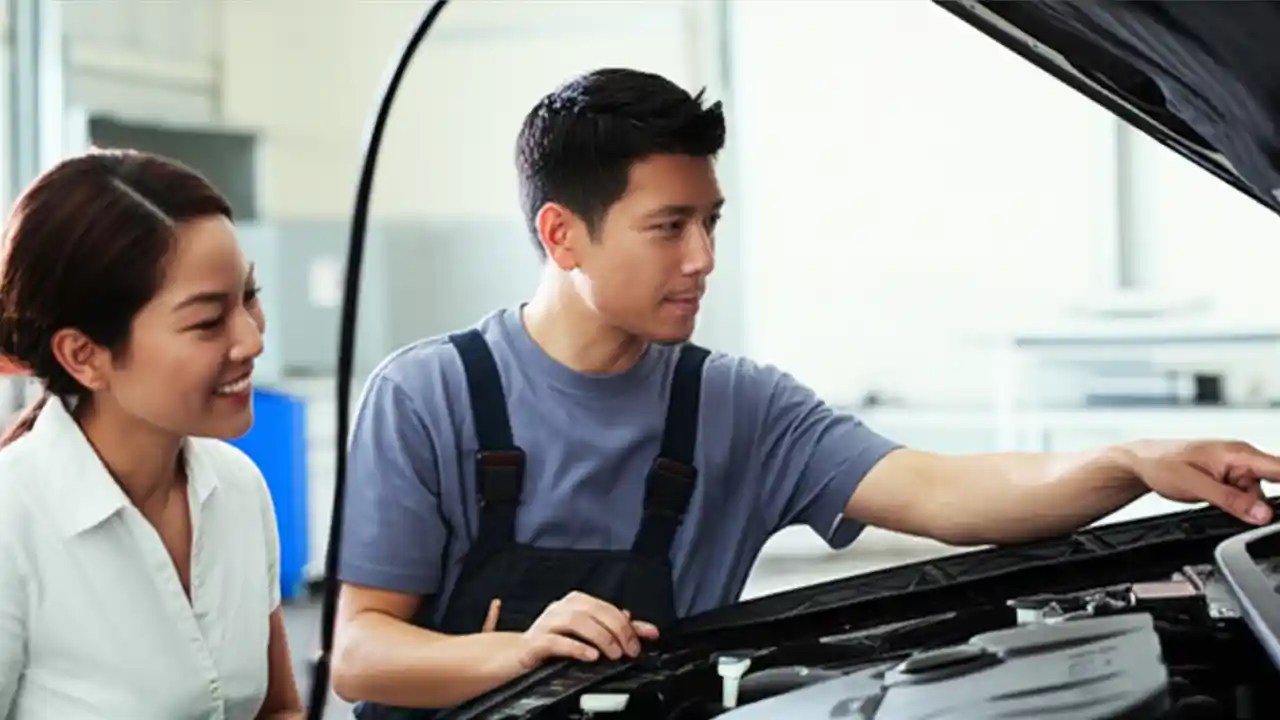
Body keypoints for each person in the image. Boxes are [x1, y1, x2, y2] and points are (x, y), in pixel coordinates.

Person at [330, 68, 1280, 715]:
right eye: (668, 227)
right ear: (561, 234)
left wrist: (1134, 463)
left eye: (711, 221)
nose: (703, 259)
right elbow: (363, 654)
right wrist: (520, 655)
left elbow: (950, 494)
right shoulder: (430, 396)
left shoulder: (737, 408)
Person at [0, 149, 304, 719]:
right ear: (84, 355)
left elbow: (276, 709)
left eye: (249, 297)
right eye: (208, 322)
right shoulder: (14, 521)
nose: (251, 339)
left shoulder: (237, 490)